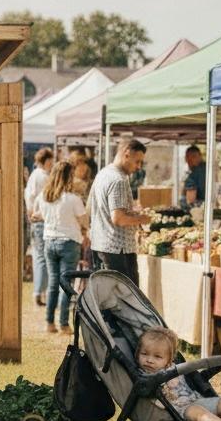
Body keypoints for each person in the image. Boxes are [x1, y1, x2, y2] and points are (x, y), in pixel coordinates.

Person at [32, 161, 88, 334]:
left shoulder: (44, 196)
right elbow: (84, 220)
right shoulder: (73, 199)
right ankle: (64, 323)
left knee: (53, 284)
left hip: (50, 242)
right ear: (69, 176)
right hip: (69, 242)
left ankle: (49, 323)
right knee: (66, 285)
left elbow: (36, 214)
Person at [89, 138, 150, 286]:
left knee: (108, 300)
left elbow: (91, 207)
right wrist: (143, 219)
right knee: (127, 300)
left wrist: (132, 213)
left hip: (101, 245)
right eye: (137, 161)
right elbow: (119, 218)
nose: (138, 167)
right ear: (127, 154)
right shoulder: (119, 179)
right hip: (118, 250)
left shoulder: (102, 173)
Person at [24, 147, 53, 306]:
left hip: (35, 218)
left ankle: (39, 291)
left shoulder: (35, 175)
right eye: (51, 160)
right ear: (46, 161)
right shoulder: (42, 177)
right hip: (41, 219)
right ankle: (39, 292)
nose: (52, 163)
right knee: (42, 257)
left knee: (38, 256)